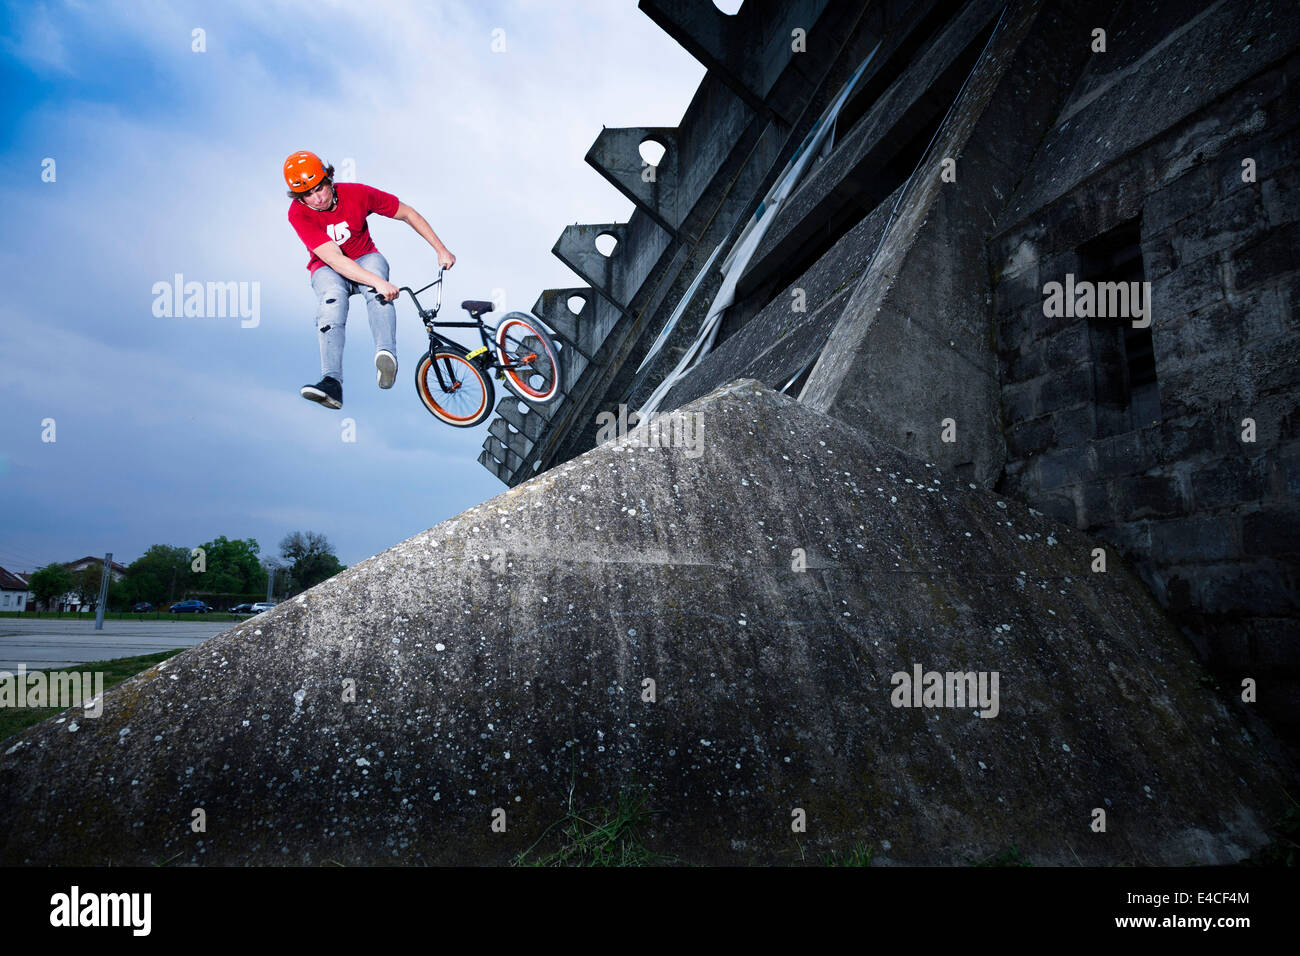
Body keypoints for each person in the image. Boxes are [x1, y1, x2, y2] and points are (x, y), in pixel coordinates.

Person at [284, 150, 456, 409]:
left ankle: (386, 355)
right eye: (308, 195)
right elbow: (334, 259)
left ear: (329, 179)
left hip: (365, 257)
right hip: (328, 268)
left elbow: (407, 213)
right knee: (332, 301)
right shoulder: (298, 213)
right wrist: (377, 282)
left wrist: (440, 249)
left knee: (377, 279)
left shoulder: (357, 193)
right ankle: (332, 382)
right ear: (300, 197)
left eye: (320, 188)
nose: (318, 198)